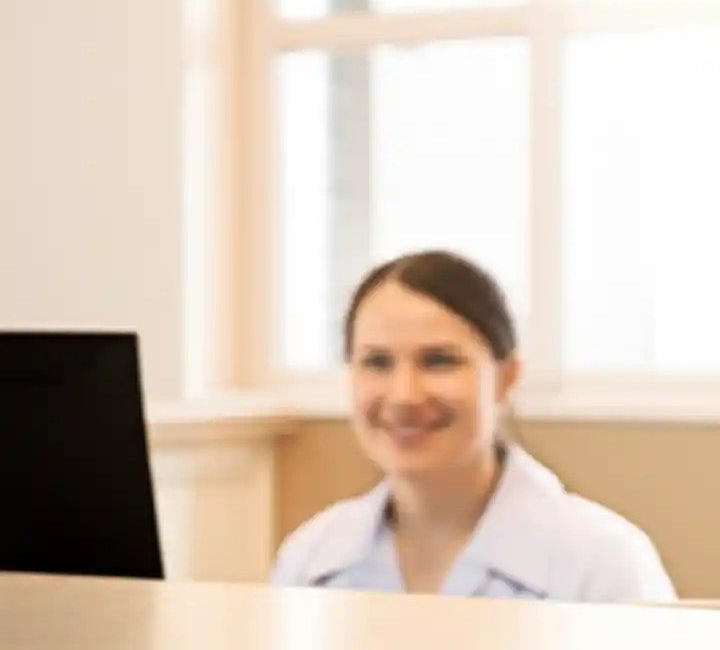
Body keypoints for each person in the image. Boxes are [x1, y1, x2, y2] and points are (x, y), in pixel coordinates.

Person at [270, 250, 676, 602]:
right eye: (377, 362)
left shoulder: (604, 566)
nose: (404, 395)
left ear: (506, 377)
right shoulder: (309, 561)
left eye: (438, 361)